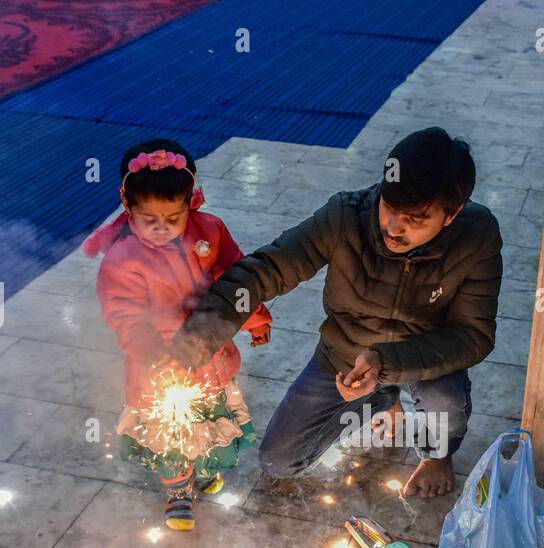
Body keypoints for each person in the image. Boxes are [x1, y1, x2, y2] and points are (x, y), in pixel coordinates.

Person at [168, 126, 502, 499]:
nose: (393, 227)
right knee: (279, 461)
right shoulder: (347, 216)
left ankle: (437, 454)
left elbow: (473, 335)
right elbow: (268, 269)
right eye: (389, 207)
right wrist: (199, 338)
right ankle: (380, 398)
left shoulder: (476, 236)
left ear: (451, 215)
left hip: (427, 358)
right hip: (344, 355)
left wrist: (385, 363)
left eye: (416, 219)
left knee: (445, 401)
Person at [85, 139, 271, 530]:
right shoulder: (124, 259)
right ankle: (177, 489)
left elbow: (239, 280)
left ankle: (204, 466)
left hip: (209, 352)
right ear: (127, 206)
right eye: (148, 218)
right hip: (159, 363)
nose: (162, 227)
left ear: (191, 201)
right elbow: (125, 315)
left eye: (174, 216)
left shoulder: (211, 231)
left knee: (207, 413)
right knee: (169, 426)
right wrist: (153, 354)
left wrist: (256, 319)